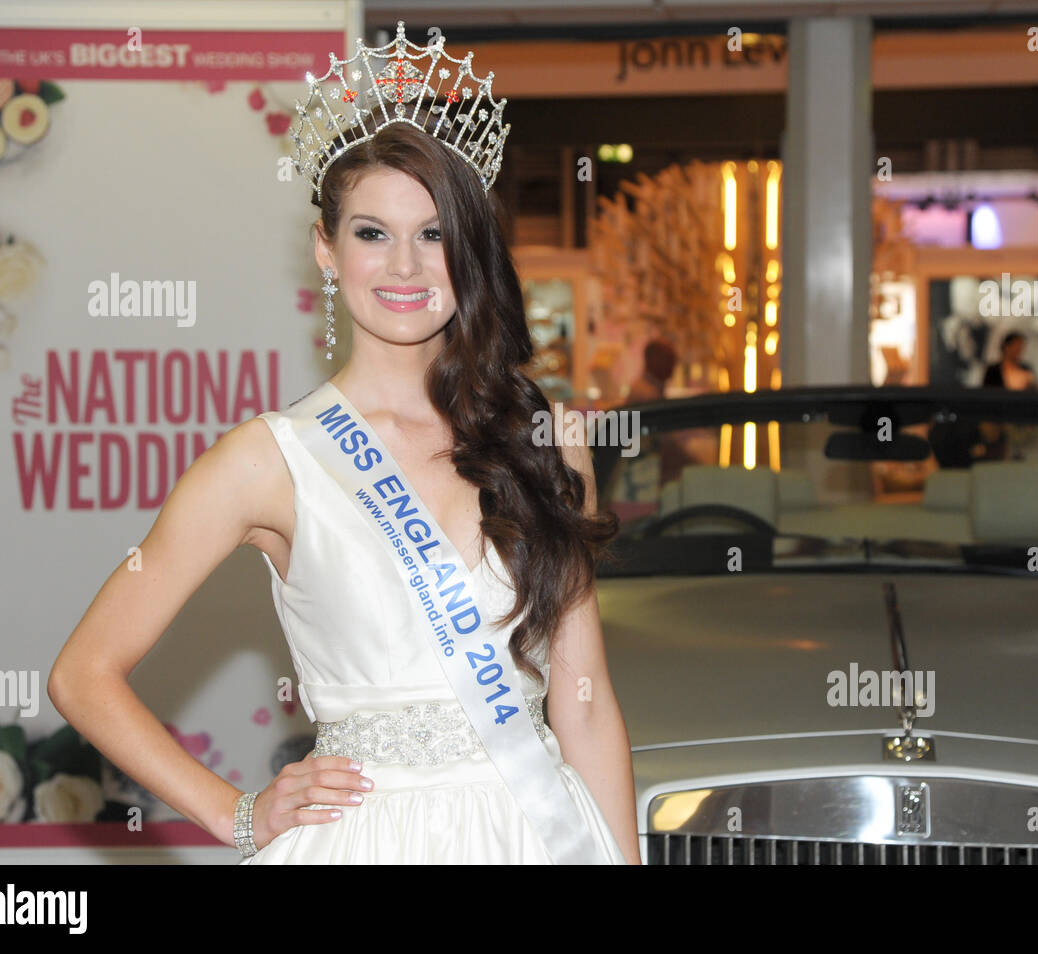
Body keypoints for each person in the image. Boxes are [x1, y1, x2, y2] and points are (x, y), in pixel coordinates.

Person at [49, 22, 639, 865]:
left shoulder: (547, 442)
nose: (404, 265)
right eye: (371, 233)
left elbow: (583, 706)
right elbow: (83, 674)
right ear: (326, 251)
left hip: (537, 836)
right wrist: (235, 814)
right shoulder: (267, 461)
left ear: (469, 252)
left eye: (434, 234)